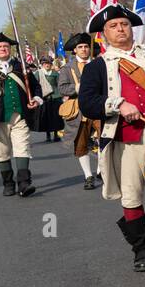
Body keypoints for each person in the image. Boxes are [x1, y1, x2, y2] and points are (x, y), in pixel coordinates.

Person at [78, 3, 145, 271]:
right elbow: (88, 103)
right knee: (132, 195)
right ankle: (141, 250)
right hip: (126, 137)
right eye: (113, 26)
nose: (120, 29)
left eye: (124, 24)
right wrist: (118, 104)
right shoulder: (97, 67)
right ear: (103, 34)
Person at [0, 33, 43, 196]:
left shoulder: (20, 67)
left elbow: (35, 86)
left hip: (20, 116)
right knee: (2, 151)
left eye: (6, 46)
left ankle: (24, 183)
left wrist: (36, 99)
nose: (3, 49)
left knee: (22, 148)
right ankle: (8, 183)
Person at [58, 33, 102, 189]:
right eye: (80, 47)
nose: (84, 49)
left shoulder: (99, 64)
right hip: (79, 111)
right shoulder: (67, 68)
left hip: (99, 107)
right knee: (81, 144)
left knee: (106, 139)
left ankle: (100, 170)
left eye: (86, 47)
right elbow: (62, 88)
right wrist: (75, 88)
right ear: (75, 50)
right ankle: (88, 176)